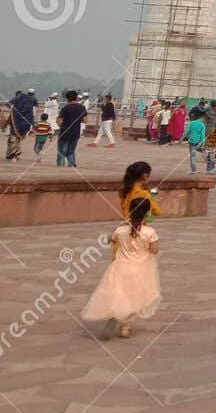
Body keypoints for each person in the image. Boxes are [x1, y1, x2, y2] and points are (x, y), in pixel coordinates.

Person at [81, 197, 160, 340]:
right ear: (147, 213)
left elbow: (109, 239)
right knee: (135, 297)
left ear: (130, 211)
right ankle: (125, 326)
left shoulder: (121, 230)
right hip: (140, 268)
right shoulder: (150, 232)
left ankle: (115, 314)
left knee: (119, 293)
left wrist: (121, 226)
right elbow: (154, 250)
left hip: (120, 266)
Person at [55, 91, 87, 169]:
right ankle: (72, 165)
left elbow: (59, 122)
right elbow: (85, 120)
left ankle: (61, 166)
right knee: (71, 150)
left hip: (65, 132)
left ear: (67, 99)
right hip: (76, 132)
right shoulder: (82, 107)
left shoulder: (65, 108)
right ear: (76, 97)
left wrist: (59, 122)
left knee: (62, 151)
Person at [183, 106, 207, 175]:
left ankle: (193, 170)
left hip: (192, 141)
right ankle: (205, 152)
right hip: (199, 141)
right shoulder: (202, 124)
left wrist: (181, 139)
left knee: (192, 157)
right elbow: (203, 136)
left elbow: (186, 131)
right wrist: (203, 144)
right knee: (200, 149)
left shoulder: (192, 123)